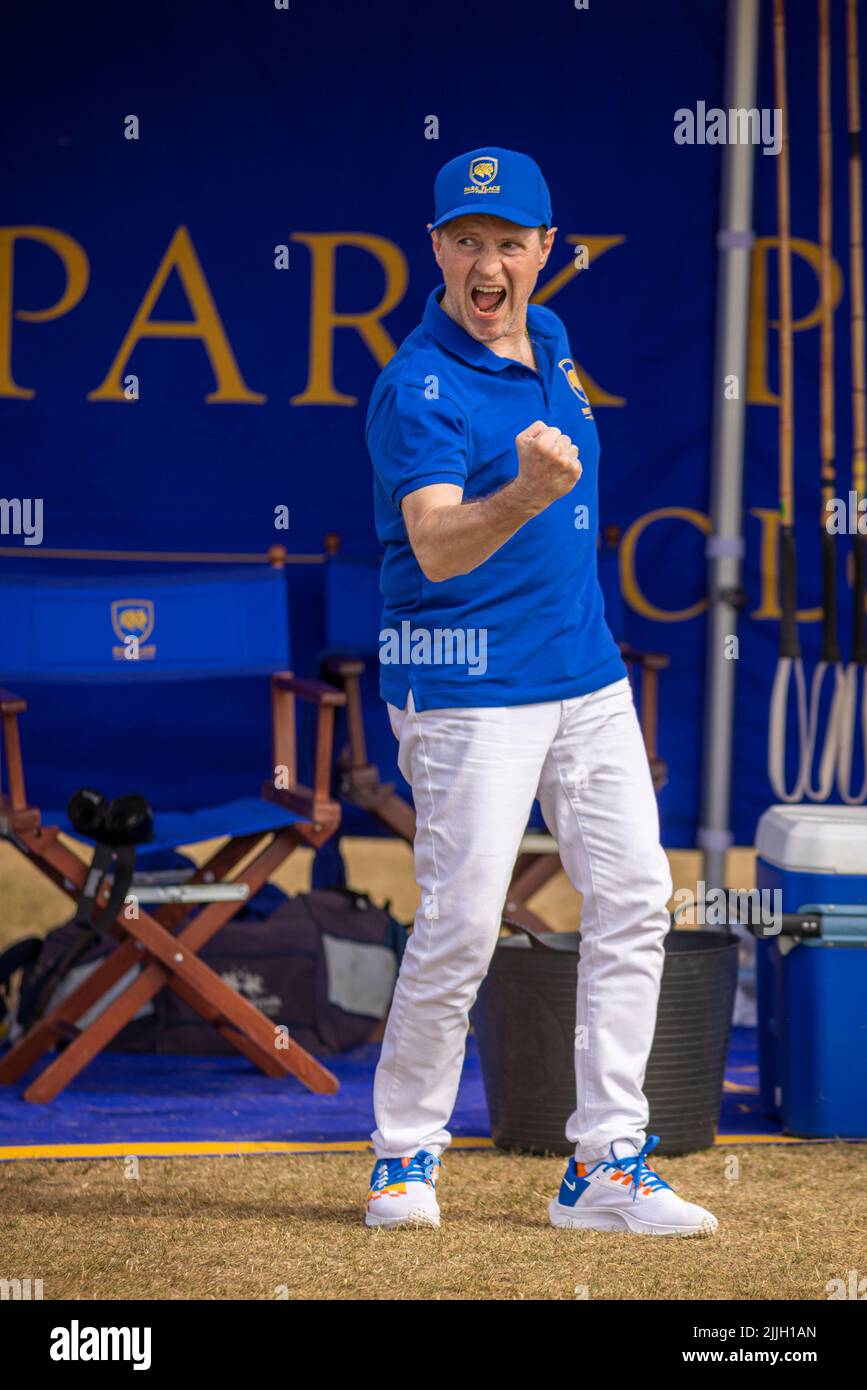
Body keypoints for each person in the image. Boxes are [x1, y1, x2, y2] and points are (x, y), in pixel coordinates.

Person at [363, 146, 718, 1237]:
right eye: (466, 241)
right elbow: (434, 546)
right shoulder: (412, 385)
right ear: (436, 249)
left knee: (633, 897)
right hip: (466, 685)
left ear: (543, 253)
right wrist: (524, 492)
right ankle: (401, 1157)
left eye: (508, 243)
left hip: (586, 674)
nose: (487, 265)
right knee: (464, 923)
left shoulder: (552, 338)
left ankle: (607, 1164)